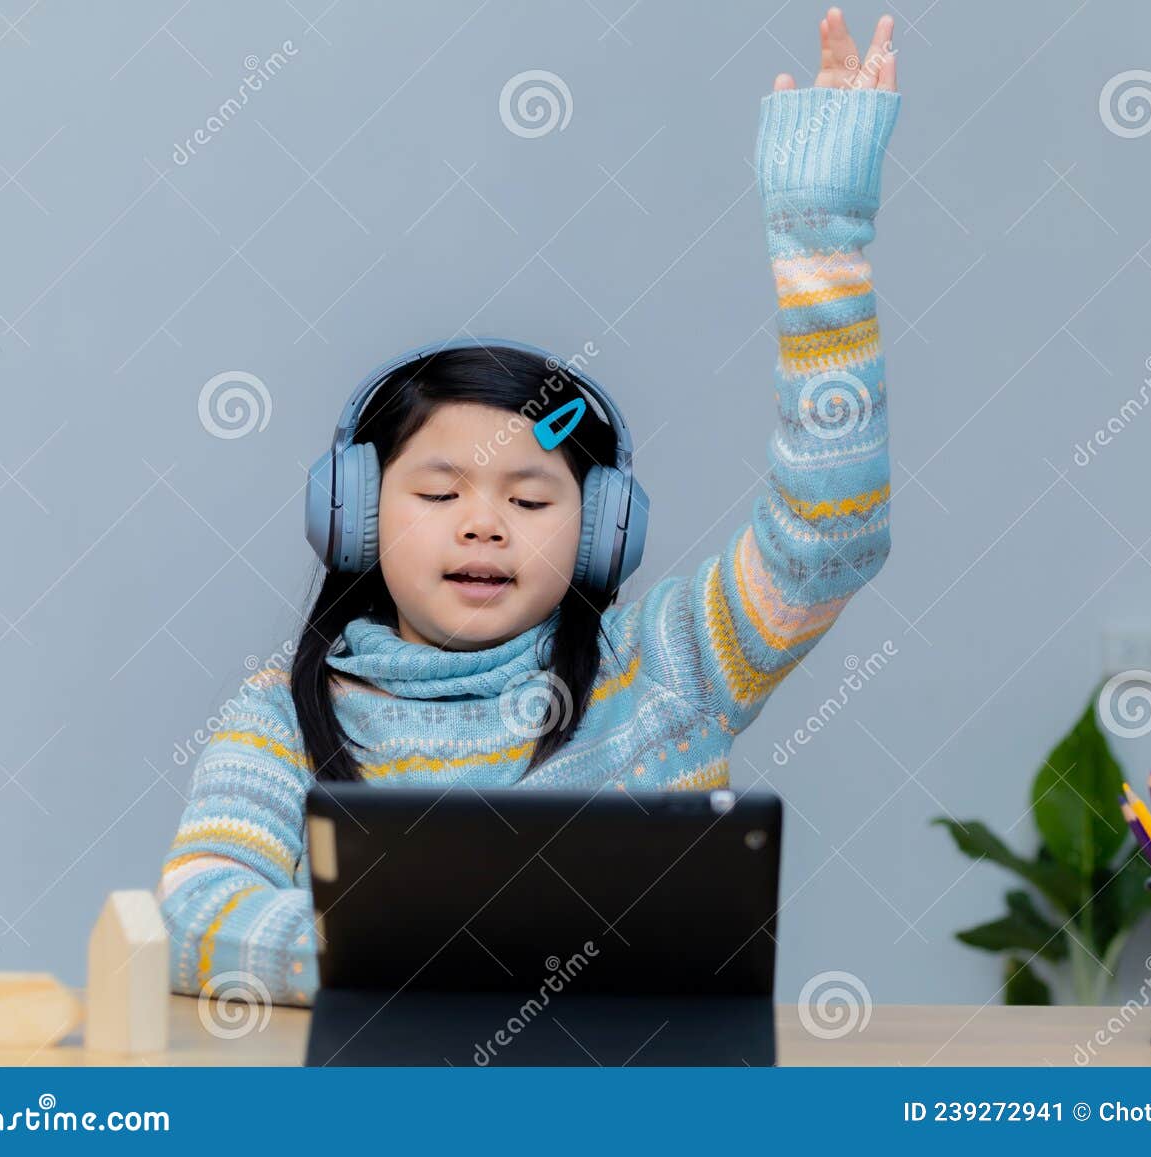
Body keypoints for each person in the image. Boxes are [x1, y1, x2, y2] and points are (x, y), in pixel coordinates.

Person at [156, 8, 901, 1007]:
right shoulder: (280, 716)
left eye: (528, 496)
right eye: (438, 489)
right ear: (355, 511)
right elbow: (201, 916)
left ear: (598, 530)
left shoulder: (671, 664)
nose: (483, 521)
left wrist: (822, 237)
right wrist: (458, 938)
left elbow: (829, 535)